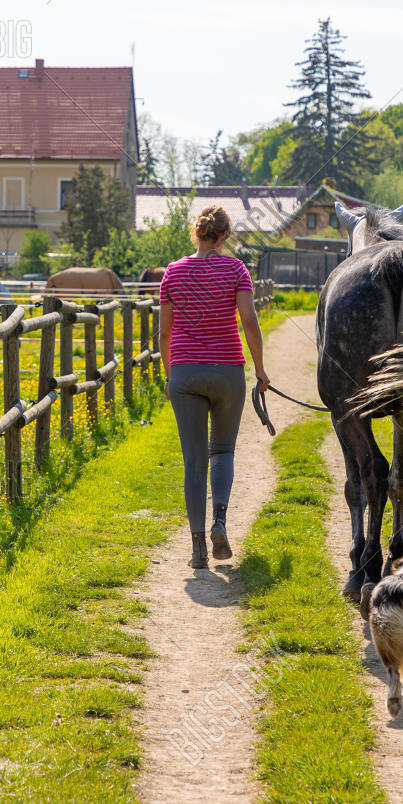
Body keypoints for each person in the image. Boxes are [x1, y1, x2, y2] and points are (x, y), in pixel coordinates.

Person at [157, 205, 270, 570]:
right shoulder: (236, 269)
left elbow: (164, 333)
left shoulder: (173, 272)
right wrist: (260, 369)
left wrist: (169, 375)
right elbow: (249, 320)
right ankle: (219, 520)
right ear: (224, 236)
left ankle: (198, 550)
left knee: (194, 461)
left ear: (197, 232)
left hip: (185, 373)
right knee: (222, 451)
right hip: (227, 372)